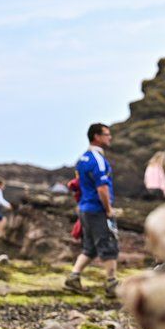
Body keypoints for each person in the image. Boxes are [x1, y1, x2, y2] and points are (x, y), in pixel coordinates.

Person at [64, 123, 119, 297]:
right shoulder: (98, 160)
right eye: (107, 134)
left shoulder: (82, 159)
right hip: (97, 209)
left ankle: (74, 277)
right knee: (108, 244)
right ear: (97, 136)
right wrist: (109, 209)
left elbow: (79, 183)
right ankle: (112, 284)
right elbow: (101, 188)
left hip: (85, 208)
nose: (110, 137)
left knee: (90, 248)